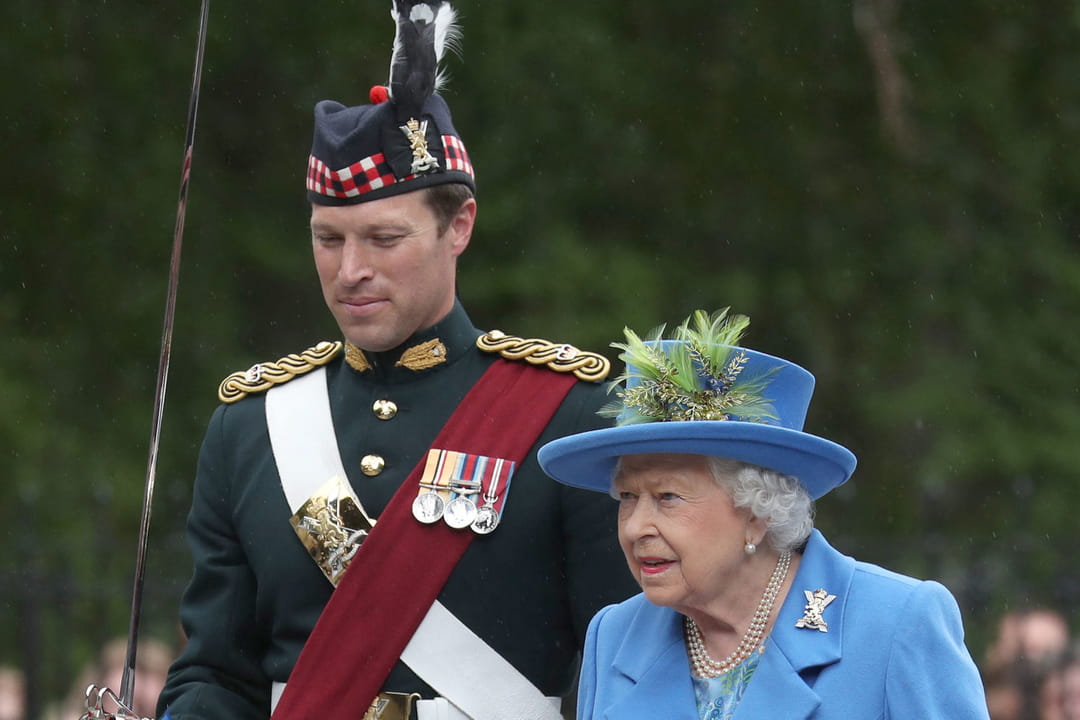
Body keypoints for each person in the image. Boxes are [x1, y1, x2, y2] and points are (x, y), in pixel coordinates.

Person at [156, 2, 635, 719]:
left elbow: (624, 667)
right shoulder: (249, 429)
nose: (350, 270)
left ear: (459, 226)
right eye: (328, 239)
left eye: (383, 238)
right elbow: (218, 673)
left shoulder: (569, 414)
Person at [537, 308, 992, 720]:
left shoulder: (894, 624)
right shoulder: (614, 635)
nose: (636, 527)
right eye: (627, 498)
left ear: (757, 511)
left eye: (668, 497)